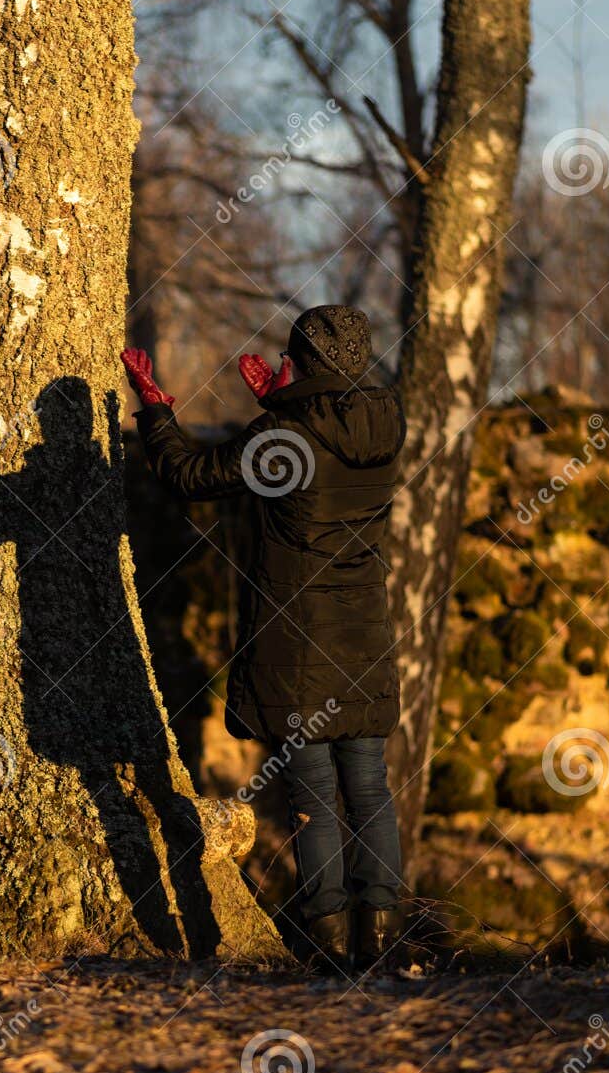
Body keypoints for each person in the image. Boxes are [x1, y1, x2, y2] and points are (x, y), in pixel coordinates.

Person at [122, 305, 407, 976]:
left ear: (303, 361)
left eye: (289, 357)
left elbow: (188, 477)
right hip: (365, 632)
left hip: (299, 642)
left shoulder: (281, 434)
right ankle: (384, 939)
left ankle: (332, 944)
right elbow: (315, 450)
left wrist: (157, 405)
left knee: (312, 793)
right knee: (369, 787)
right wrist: (285, 404)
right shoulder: (384, 426)